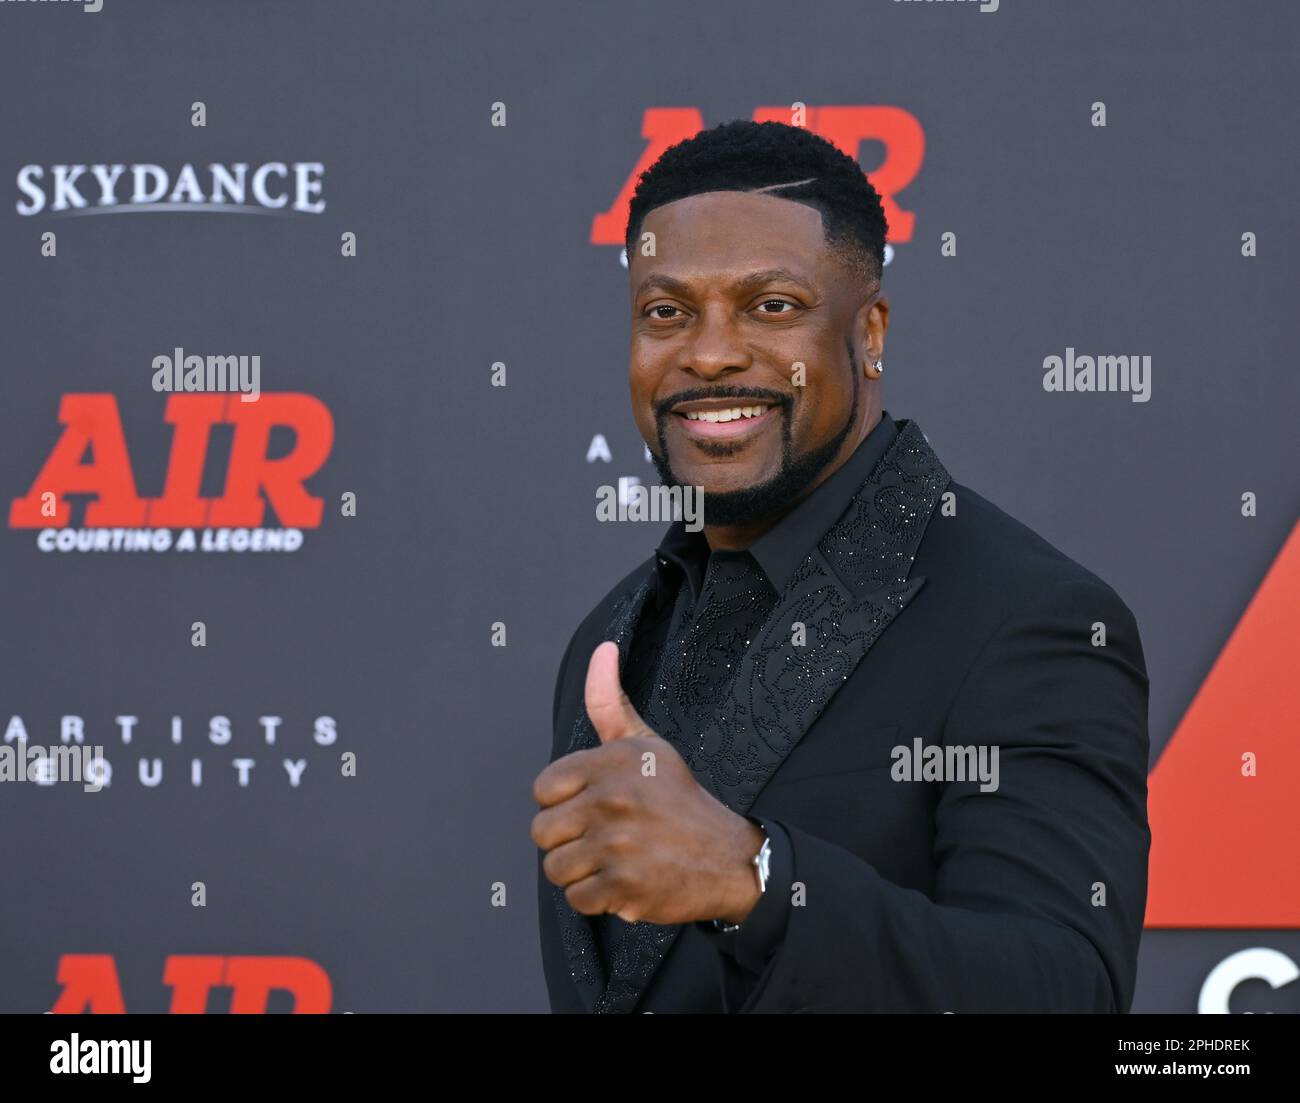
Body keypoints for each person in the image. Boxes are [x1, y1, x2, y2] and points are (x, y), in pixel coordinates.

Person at [532, 120, 1150, 1013]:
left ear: (869, 333)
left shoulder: (1029, 618)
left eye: (770, 306)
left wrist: (758, 879)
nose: (709, 353)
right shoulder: (610, 639)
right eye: (667, 312)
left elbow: (1063, 988)